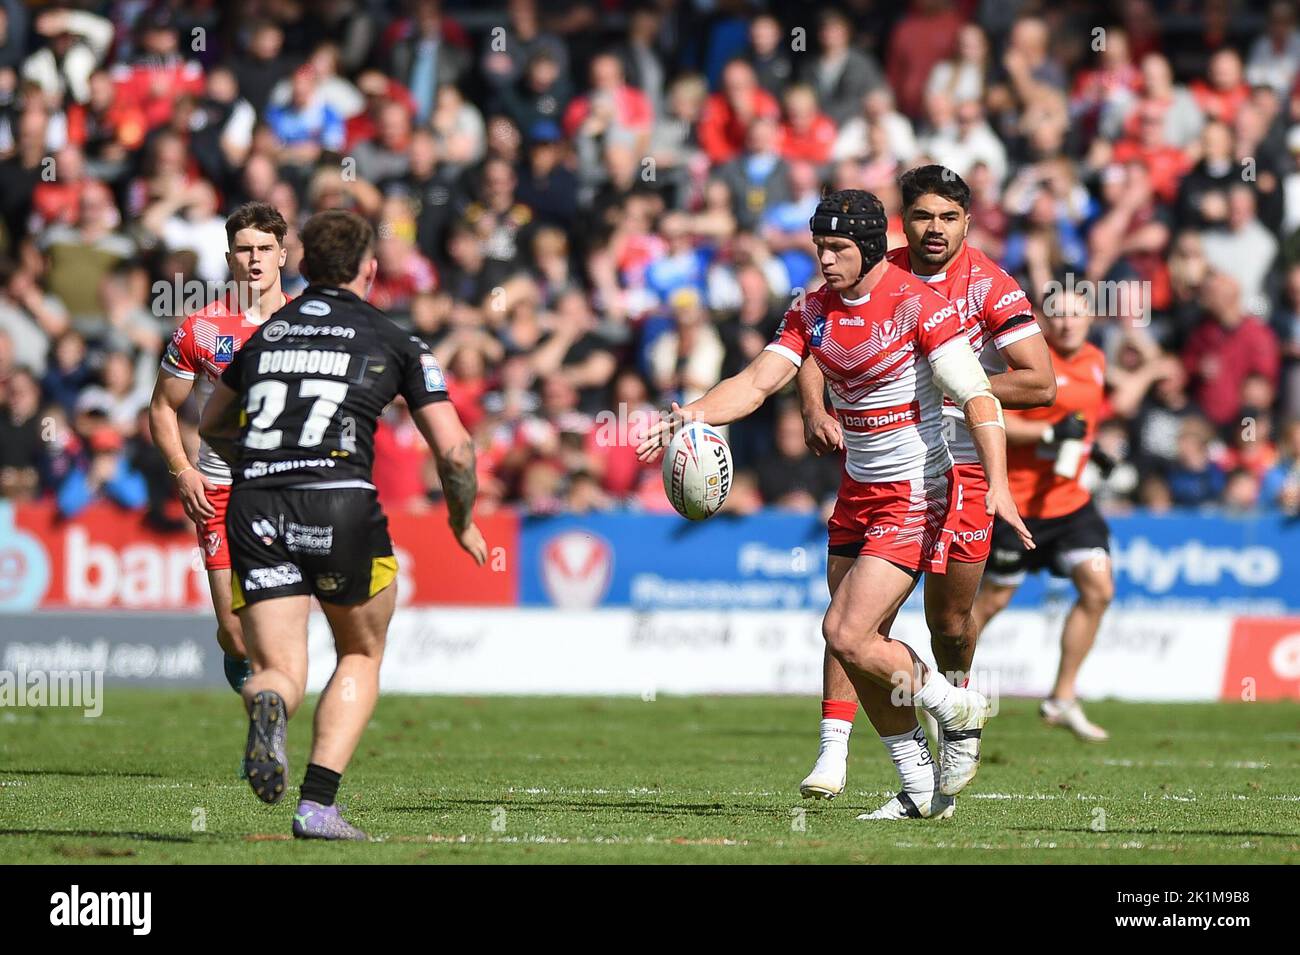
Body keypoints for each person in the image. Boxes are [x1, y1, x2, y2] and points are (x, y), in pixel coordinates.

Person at [638, 189, 1032, 820]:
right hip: (856, 490)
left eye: (837, 248)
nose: (824, 260)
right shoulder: (811, 309)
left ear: (870, 248)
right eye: (819, 247)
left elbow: (979, 396)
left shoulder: (918, 305)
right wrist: (692, 414)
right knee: (857, 643)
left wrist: (1000, 484)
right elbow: (757, 381)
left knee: (844, 632)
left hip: (915, 493)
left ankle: (953, 703)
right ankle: (918, 783)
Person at [199, 210, 487, 840]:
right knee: (359, 650)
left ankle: (267, 700)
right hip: (340, 502)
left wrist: (263, 460)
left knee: (279, 669)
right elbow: (457, 452)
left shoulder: (265, 335)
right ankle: (317, 807)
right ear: (369, 269)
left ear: (302, 265)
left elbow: (212, 423)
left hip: (256, 504)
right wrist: (461, 520)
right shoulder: (394, 338)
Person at [794, 165, 1056, 804]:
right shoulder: (871, 270)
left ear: (968, 222)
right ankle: (839, 751)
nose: (934, 228)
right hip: (889, 466)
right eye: (921, 216)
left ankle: (957, 716)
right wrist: (812, 407)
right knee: (851, 618)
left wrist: (950, 386)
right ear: (900, 224)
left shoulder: (989, 285)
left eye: (948, 217)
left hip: (967, 465)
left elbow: (1041, 382)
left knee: (949, 620)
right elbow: (813, 337)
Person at [149, 201, 291, 695]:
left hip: (287, 487)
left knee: (277, 620)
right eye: (244, 250)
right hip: (220, 486)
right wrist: (182, 470)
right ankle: (241, 659)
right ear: (229, 258)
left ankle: (271, 714)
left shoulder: (308, 322)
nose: (255, 259)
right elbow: (162, 408)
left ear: (282, 254)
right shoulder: (202, 329)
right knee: (234, 630)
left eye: (265, 248)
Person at [972, 289, 1112, 742]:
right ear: (1043, 321)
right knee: (992, 602)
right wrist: (1049, 433)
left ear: (1090, 318)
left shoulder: (1096, 360)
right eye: (1059, 315)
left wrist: (1094, 452)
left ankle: (1062, 698)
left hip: (1070, 503)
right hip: (1019, 507)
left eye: (1076, 314)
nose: (1068, 323)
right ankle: (948, 689)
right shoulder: (1028, 363)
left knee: (1099, 589)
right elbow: (991, 416)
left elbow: (1083, 421)